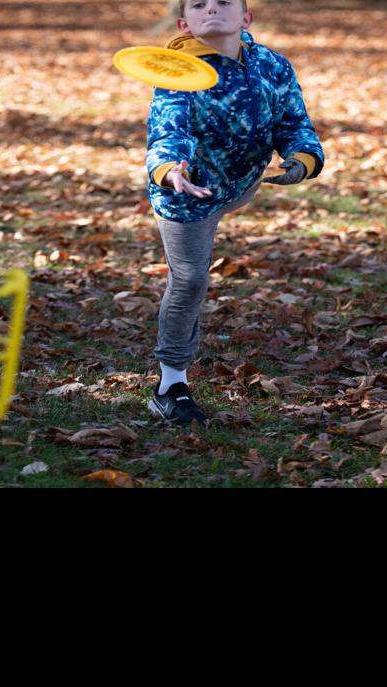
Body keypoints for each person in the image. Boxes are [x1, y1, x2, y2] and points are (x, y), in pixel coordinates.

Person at [143, 0, 325, 426]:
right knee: (190, 279)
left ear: (246, 18)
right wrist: (169, 170)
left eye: (224, 1)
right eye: (200, 4)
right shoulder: (177, 70)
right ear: (184, 23)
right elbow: (169, 128)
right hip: (188, 192)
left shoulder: (271, 65)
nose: (212, 9)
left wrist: (302, 159)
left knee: (197, 273)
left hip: (243, 183)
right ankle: (170, 385)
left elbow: (293, 122)